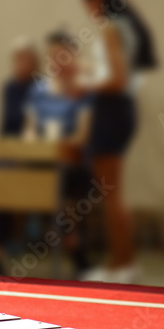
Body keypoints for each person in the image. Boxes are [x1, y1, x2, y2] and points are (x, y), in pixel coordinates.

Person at [78, 0, 158, 283]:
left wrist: (82, 84)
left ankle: (120, 264)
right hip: (120, 110)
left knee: (111, 194)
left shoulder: (112, 28)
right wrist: (89, 73)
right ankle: (123, 261)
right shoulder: (126, 26)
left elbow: (117, 80)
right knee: (114, 193)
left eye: (88, 3)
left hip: (112, 110)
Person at [25, 31, 94, 274]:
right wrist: (36, 144)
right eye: (52, 56)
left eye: (62, 55)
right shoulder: (39, 90)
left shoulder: (82, 92)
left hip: (72, 162)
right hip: (42, 160)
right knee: (3, 178)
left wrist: (60, 145)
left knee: (67, 183)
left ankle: (75, 248)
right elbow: (30, 130)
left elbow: (82, 134)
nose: (57, 61)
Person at [1, 37, 38, 137]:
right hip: (12, 145)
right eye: (17, 59)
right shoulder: (10, 88)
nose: (21, 65)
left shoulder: (41, 87)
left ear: (34, 62)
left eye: (24, 59)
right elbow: (6, 123)